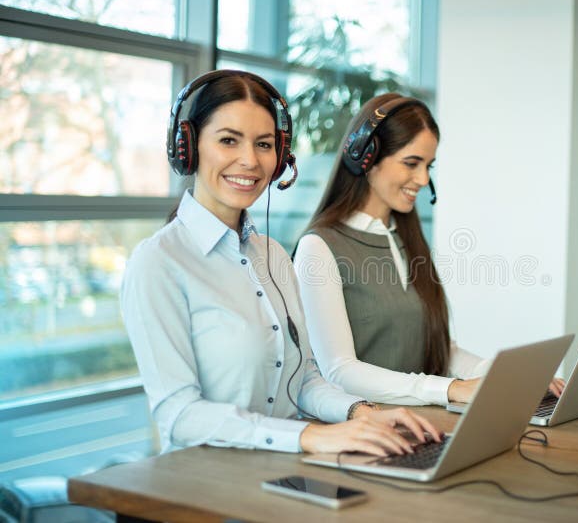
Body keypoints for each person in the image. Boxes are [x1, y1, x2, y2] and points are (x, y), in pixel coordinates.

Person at [120, 71, 440, 457]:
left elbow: (304, 379)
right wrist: (307, 437)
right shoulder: (159, 263)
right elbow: (180, 415)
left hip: (287, 472)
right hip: (207, 485)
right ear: (188, 147)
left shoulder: (271, 255)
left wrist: (360, 412)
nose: (250, 161)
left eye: (264, 144)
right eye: (228, 141)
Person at [293, 94, 565, 407]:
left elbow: (436, 348)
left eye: (428, 166)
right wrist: (449, 390)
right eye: (411, 163)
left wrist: (503, 375)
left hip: (421, 422)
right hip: (366, 430)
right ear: (366, 158)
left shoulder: (404, 238)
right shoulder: (320, 247)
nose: (423, 179)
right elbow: (339, 371)